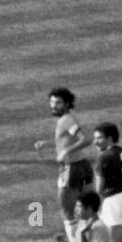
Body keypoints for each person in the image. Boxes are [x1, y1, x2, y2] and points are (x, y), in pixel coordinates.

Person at [36, 87, 93, 224]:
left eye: (58, 103)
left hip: (71, 170)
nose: (53, 106)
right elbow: (68, 140)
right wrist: (49, 143)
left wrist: (66, 151)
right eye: (52, 102)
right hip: (84, 167)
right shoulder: (71, 116)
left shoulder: (66, 120)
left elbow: (86, 139)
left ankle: (75, 237)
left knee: (68, 214)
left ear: (67, 103)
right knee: (88, 209)